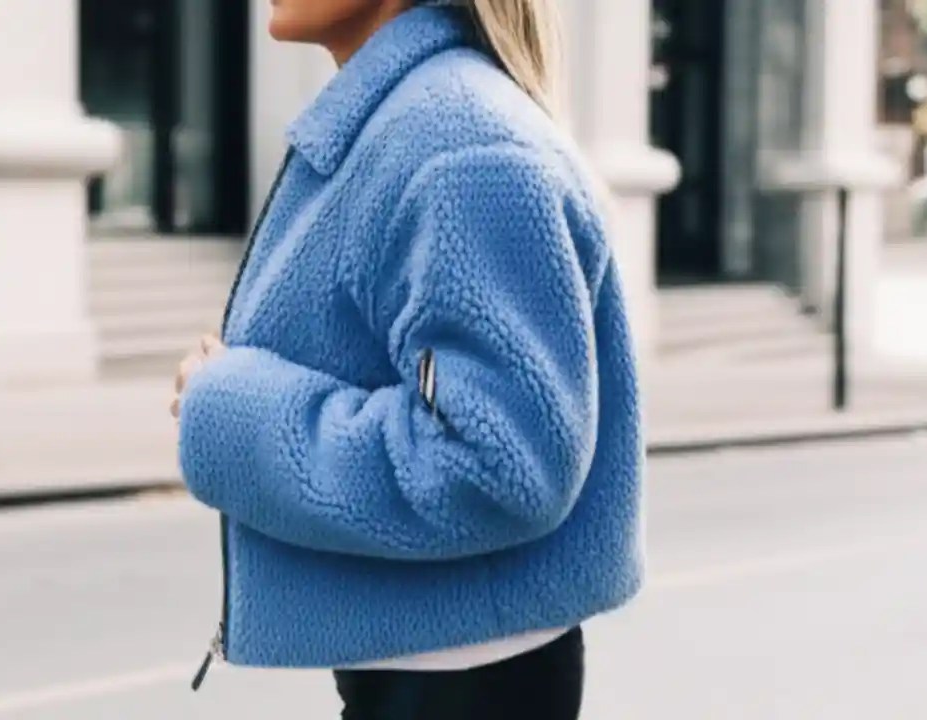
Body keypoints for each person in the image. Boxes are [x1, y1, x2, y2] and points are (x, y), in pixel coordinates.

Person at [170, 1, 644, 717]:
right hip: (442, 674)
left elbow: (499, 462)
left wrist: (230, 406)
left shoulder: (457, 139)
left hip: (458, 685)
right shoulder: (416, 120)